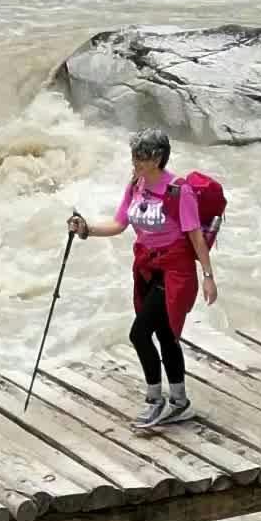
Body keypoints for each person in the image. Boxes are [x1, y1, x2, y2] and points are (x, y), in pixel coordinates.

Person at [69, 129, 218, 427]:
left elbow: (195, 236)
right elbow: (118, 224)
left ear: (158, 158)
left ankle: (155, 400)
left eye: (141, 156)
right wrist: (86, 229)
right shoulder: (135, 185)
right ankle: (180, 402)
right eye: (134, 155)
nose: (135, 161)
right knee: (164, 335)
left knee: (139, 334)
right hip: (147, 267)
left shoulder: (179, 191)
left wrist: (208, 276)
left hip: (176, 271)